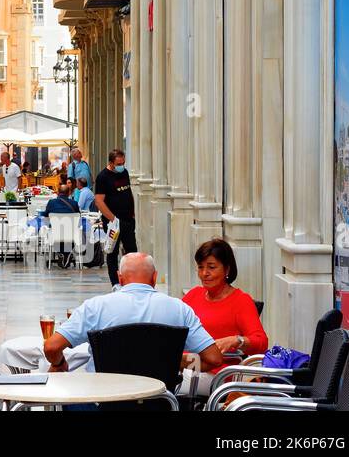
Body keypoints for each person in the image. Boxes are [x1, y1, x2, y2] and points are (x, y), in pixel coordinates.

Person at [43, 253, 222, 374]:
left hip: (103, 403)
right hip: (158, 403)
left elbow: (51, 347)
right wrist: (177, 362)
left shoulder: (95, 307)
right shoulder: (179, 309)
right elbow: (214, 359)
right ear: (154, 277)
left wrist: (59, 364)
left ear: (120, 278)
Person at [181, 238, 268, 367]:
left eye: (211, 267)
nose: (204, 273)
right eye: (200, 267)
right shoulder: (194, 294)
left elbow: (261, 342)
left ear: (227, 269)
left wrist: (237, 340)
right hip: (184, 365)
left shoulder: (241, 301)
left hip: (216, 372)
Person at [94, 148, 136, 286]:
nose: (121, 166)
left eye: (123, 162)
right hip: (113, 222)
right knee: (112, 252)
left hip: (128, 219)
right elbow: (99, 201)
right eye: (118, 163)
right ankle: (115, 283)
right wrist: (113, 219)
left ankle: (132, 280)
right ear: (111, 163)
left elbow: (128, 192)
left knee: (132, 252)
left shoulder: (124, 172)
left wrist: (133, 212)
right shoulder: (103, 177)